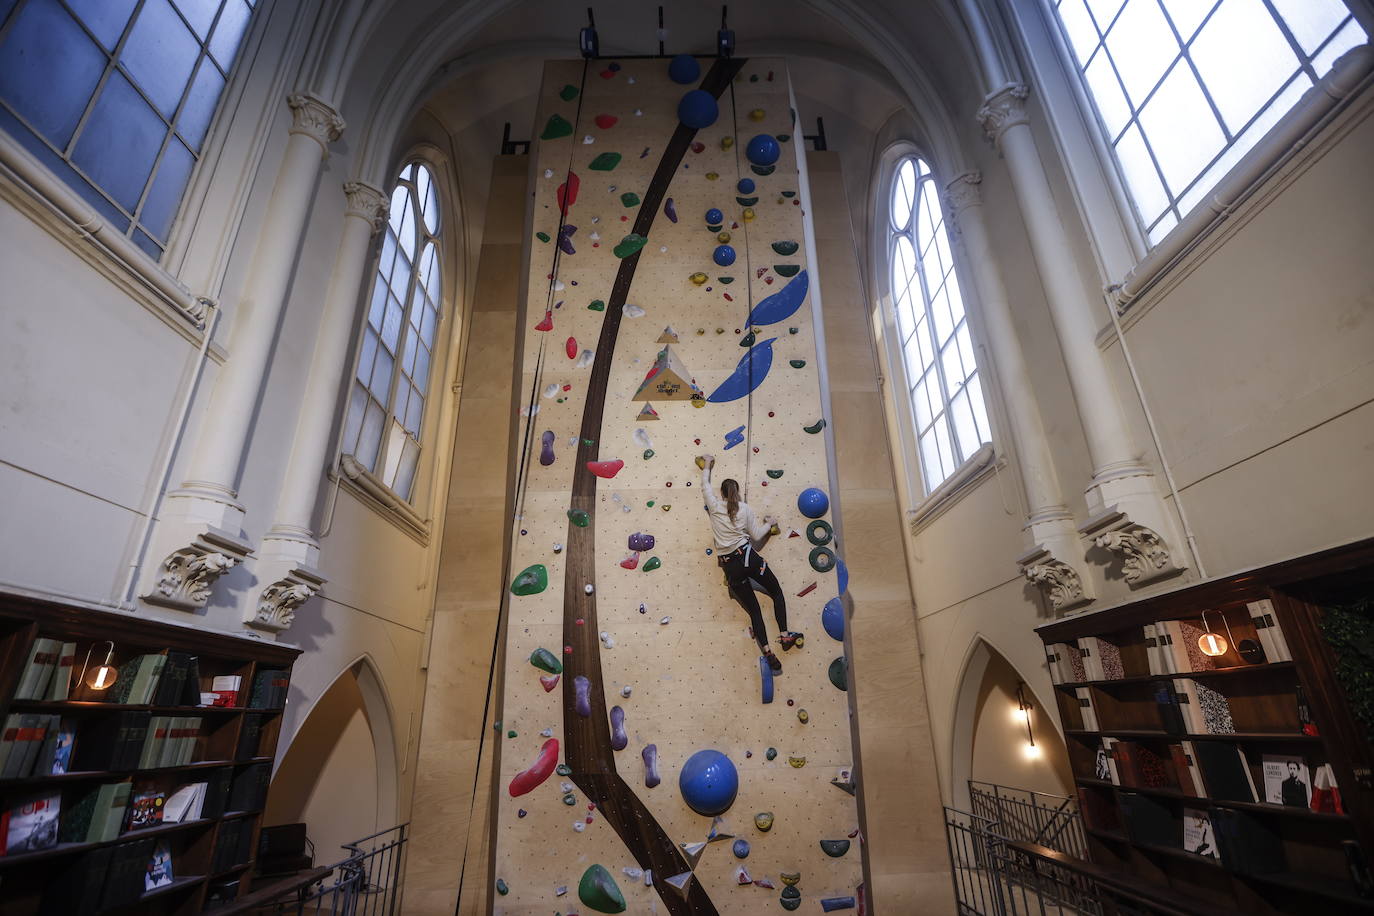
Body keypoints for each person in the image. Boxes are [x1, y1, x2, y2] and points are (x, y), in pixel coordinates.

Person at [699, 455, 802, 672]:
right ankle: (785, 636)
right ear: (737, 493)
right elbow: (756, 535)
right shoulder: (744, 509)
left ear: (722, 494)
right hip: (749, 558)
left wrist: (707, 463)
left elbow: (704, 484)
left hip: (730, 566)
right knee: (776, 592)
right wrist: (770, 523)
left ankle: (768, 651)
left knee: (754, 611)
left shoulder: (714, 505)